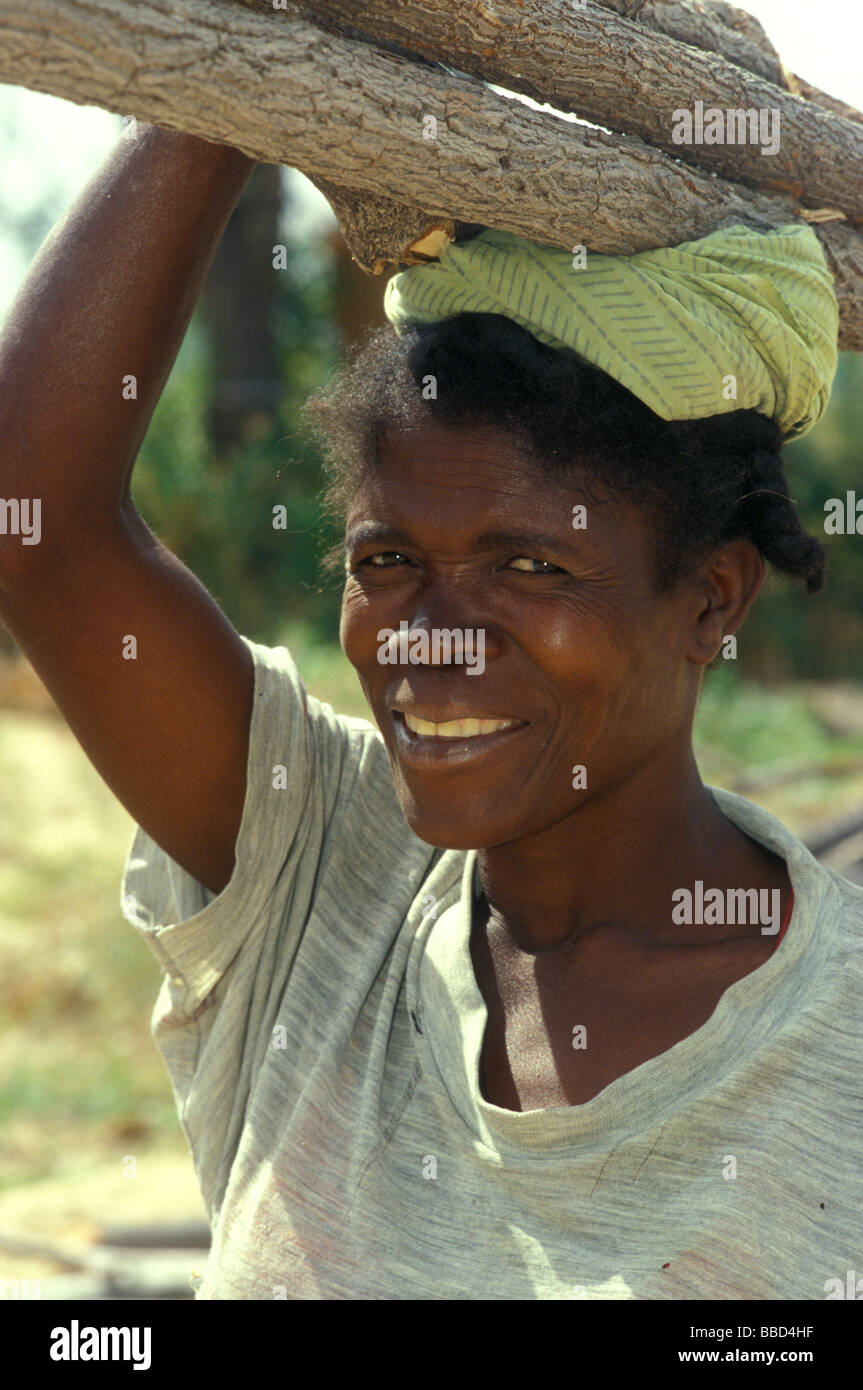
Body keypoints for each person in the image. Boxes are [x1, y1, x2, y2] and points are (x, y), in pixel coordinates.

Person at [1, 124, 860, 1302]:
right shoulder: (320, 871)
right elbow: (34, 520)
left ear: (710, 598)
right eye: (389, 558)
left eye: (529, 568)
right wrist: (227, 86)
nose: (429, 636)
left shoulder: (837, 1056)